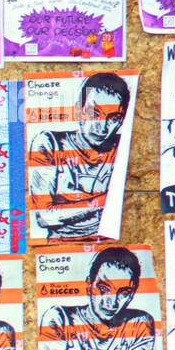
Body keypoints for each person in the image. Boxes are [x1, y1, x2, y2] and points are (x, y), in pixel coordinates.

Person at [39, 246, 155, 350]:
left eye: (124, 293)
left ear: (133, 294)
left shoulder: (139, 322)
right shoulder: (59, 318)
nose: (112, 302)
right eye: (103, 288)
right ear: (88, 285)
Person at [28, 72, 132, 240]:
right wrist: (104, 200)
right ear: (78, 109)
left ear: (122, 121)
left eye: (113, 118)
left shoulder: (122, 147)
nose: (102, 128)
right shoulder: (48, 143)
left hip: (112, 243)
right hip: (59, 247)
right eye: (94, 113)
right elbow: (44, 217)